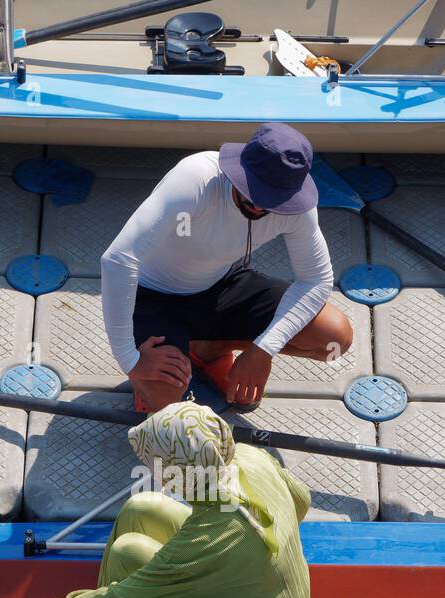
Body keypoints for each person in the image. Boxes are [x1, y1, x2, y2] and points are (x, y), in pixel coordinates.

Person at [19, 401, 314, 598]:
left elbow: (131, 594)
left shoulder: (215, 532)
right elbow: (301, 499)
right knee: (140, 507)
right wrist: (251, 561)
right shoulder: (249, 457)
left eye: (159, 466)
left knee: (129, 554)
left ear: (183, 471)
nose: (155, 475)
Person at [100, 122, 353, 413]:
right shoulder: (194, 178)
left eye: (273, 200)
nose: (259, 206)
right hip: (151, 295)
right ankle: (154, 382)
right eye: (253, 191)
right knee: (169, 405)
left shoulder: (298, 207)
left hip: (221, 285)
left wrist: (263, 349)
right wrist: (131, 361)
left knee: (334, 337)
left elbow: (316, 281)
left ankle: (209, 351)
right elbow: (119, 259)